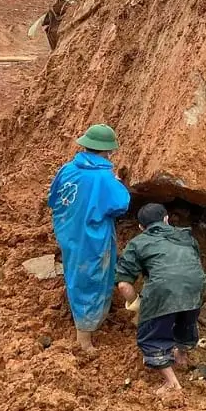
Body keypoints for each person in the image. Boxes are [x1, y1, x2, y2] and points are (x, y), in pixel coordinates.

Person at [47, 123, 131, 354]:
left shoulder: (67, 169)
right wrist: (117, 183)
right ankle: (83, 339)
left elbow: (53, 199)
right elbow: (121, 204)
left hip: (67, 232)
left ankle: (90, 321)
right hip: (91, 238)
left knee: (75, 272)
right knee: (91, 279)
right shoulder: (103, 177)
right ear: (107, 151)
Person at [116, 203, 206, 395]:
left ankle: (172, 384)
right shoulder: (186, 237)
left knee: (151, 338)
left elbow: (124, 285)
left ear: (141, 227)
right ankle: (181, 356)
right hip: (194, 287)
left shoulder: (138, 243)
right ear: (166, 219)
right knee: (186, 321)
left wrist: (138, 305)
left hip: (163, 289)